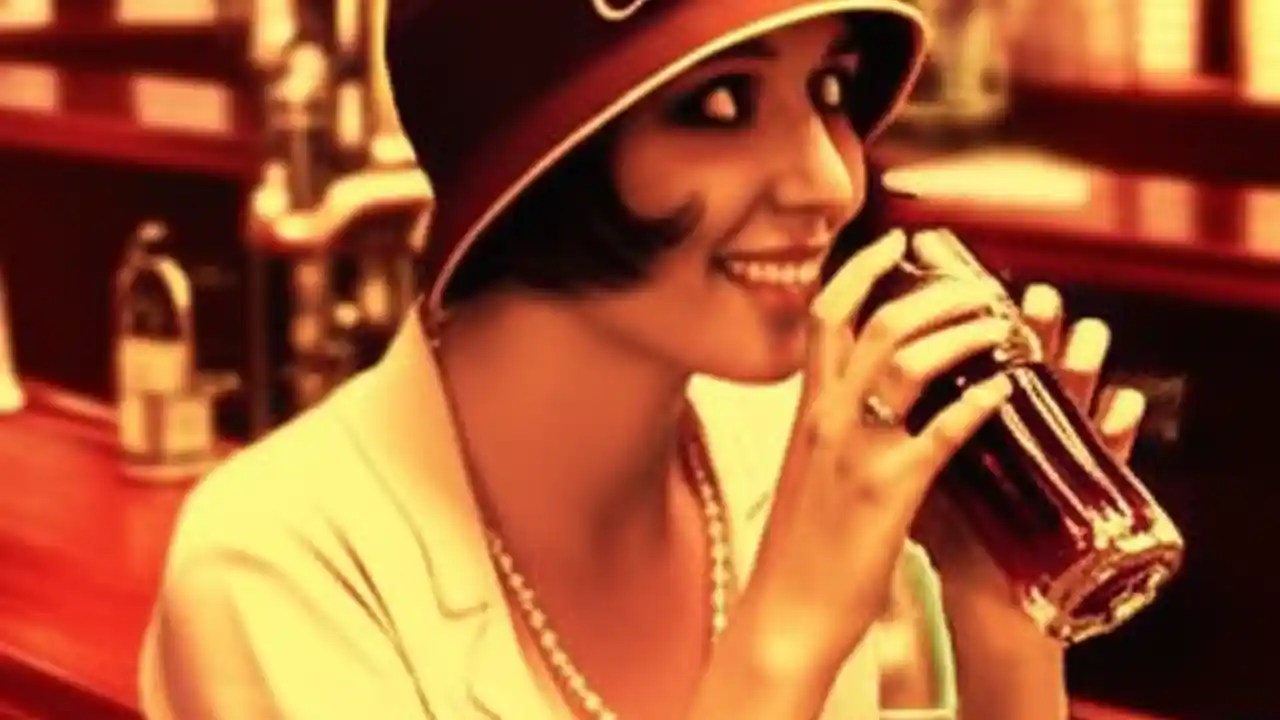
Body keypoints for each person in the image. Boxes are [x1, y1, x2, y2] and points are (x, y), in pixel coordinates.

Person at [138, 1, 1149, 718]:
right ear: (531, 151)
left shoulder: (790, 452)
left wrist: (1002, 626)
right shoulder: (276, 565)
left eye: (829, 88)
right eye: (722, 104)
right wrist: (784, 639)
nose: (828, 181)